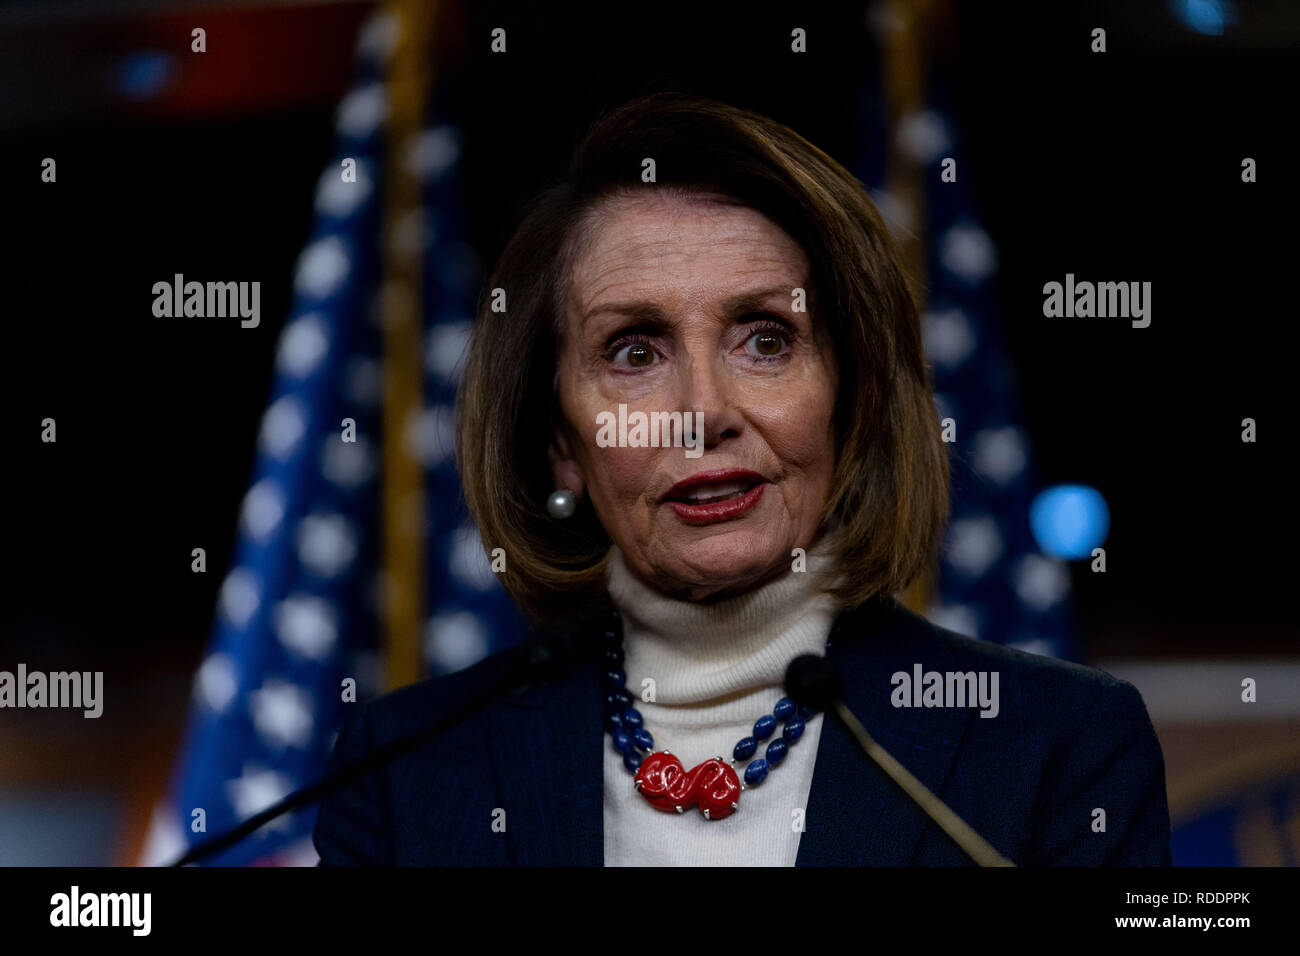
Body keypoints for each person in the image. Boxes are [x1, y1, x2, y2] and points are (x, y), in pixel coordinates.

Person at [312, 92, 1171, 866]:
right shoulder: (406, 778)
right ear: (561, 444)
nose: (703, 411)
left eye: (765, 339)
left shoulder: (1056, 747)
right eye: (635, 352)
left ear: (850, 398)